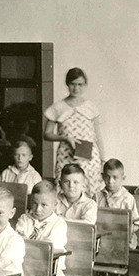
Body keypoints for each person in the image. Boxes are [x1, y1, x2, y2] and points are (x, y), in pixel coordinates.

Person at [44, 67, 106, 196]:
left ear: (85, 85)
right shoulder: (58, 107)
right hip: (66, 155)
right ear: (67, 84)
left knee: (89, 189)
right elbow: (47, 134)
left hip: (89, 156)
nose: (76, 88)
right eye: (73, 84)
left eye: (80, 84)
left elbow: (98, 137)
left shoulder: (91, 107)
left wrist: (102, 160)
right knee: (66, 189)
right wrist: (65, 138)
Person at [97, 159, 139, 248]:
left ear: (123, 178)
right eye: (107, 177)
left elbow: (136, 224)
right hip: (101, 236)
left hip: (121, 237)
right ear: (102, 176)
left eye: (115, 177)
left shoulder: (128, 198)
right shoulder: (97, 196)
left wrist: (125, 231)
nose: (110, 181)